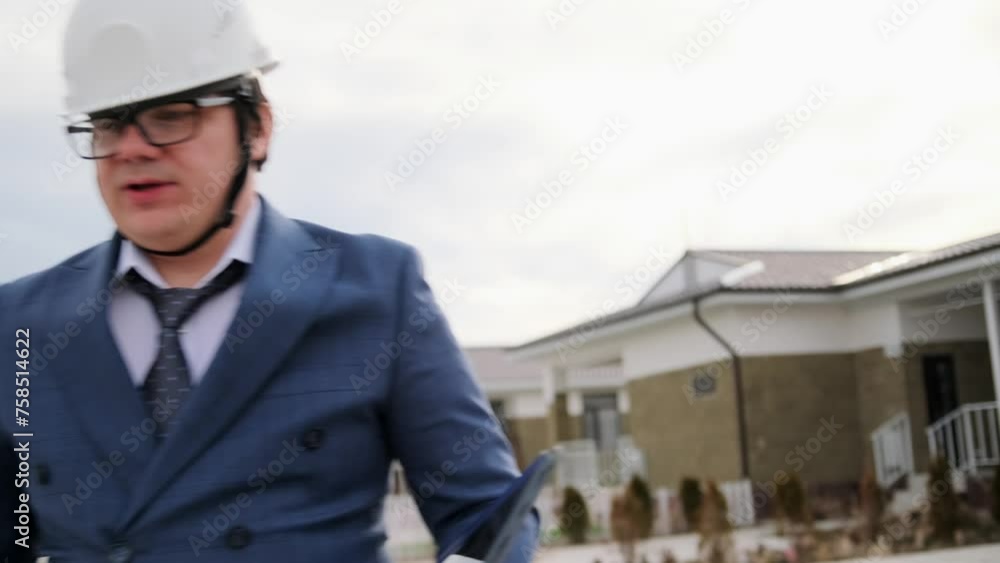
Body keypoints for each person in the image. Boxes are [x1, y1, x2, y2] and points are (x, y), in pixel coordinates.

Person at [0, 1, 539, 561]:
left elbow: (484, 516)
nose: (132, 149)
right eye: (109, 123)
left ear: (256, 128)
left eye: (170, 115)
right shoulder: (19, 324)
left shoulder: (379, 292)